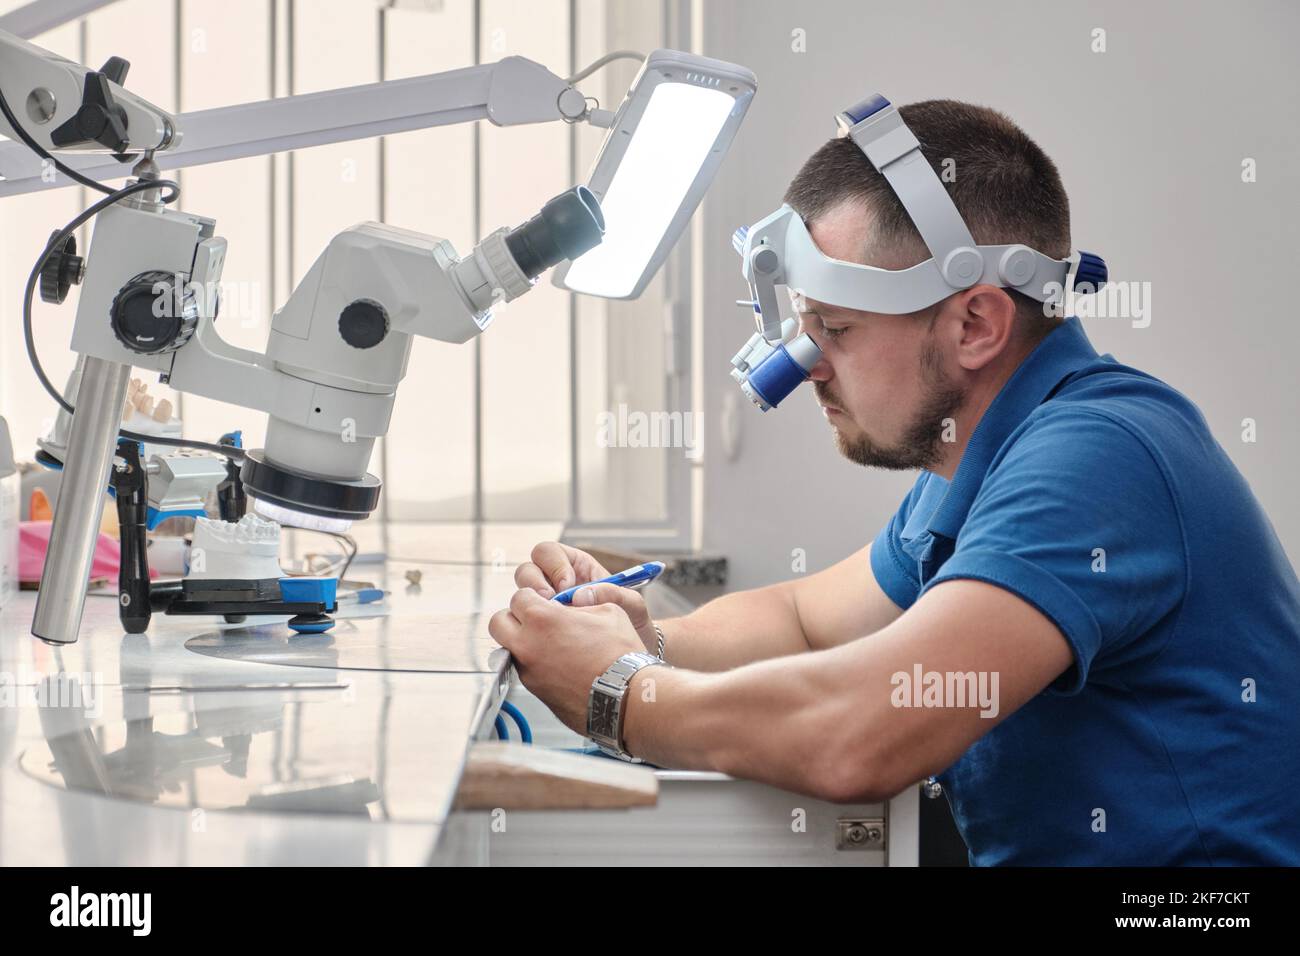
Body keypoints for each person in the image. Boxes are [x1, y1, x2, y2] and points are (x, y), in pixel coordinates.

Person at [489, 99, 1300, 865]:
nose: (806, 370)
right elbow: (806, 621)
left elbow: (862, 732)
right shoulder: (992, 457)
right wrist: (645, 640)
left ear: (976, 324)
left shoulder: (1098, 458)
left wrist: (620, 694)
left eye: (835, 331)